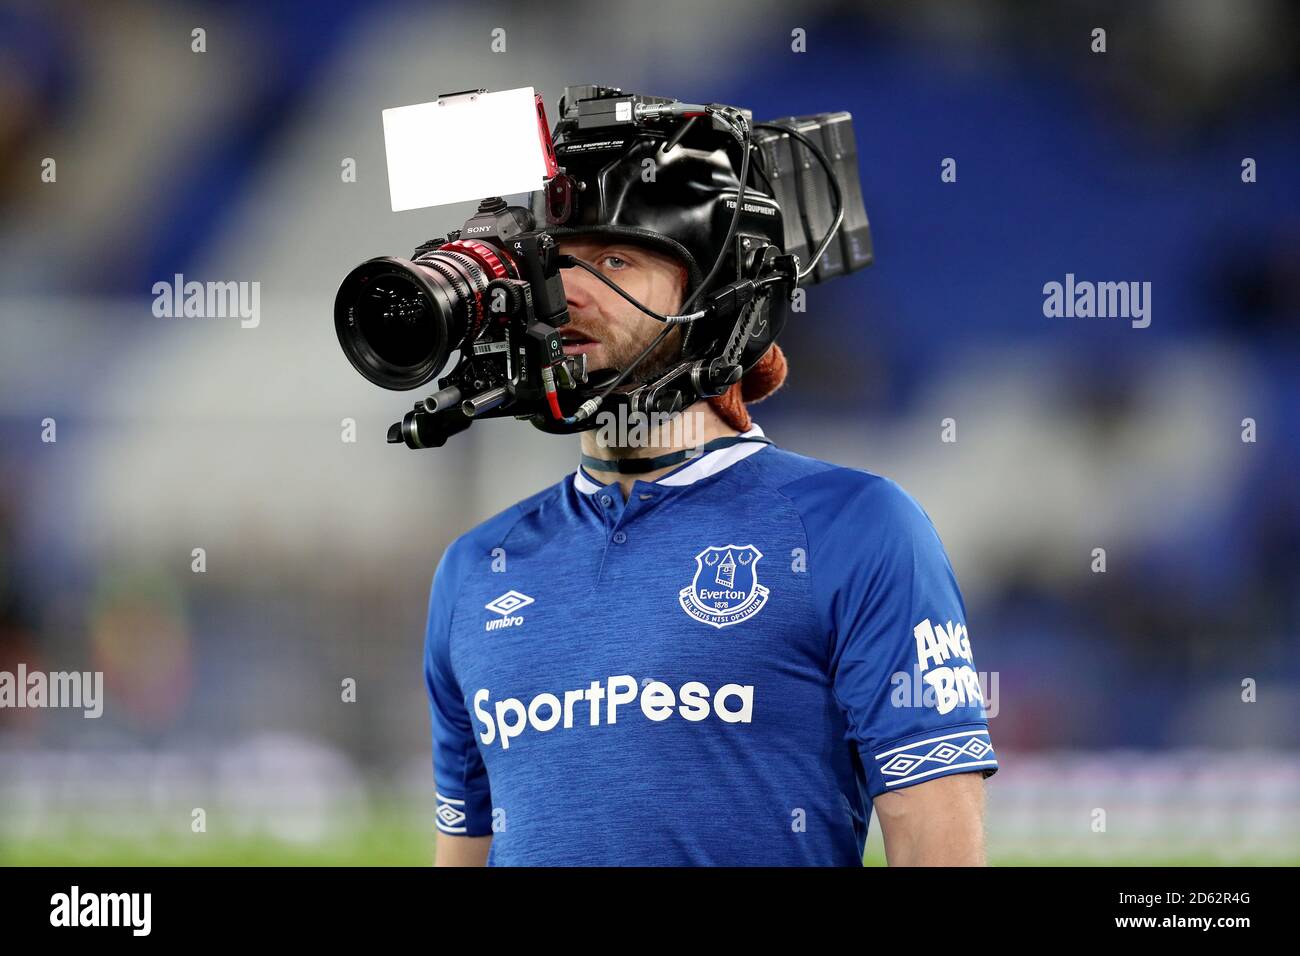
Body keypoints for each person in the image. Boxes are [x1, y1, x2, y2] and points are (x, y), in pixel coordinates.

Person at [424, 227, 998, 866]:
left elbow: (936, 845)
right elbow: (466, 851)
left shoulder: (856, 524)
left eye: (615, 260)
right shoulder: (473, 568)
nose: (567, 294)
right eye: (553, 266)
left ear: (714, 293)